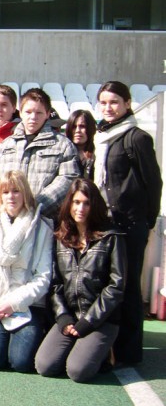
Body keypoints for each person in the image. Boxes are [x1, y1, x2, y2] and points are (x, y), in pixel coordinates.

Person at [94, 80, 162, 365]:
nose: (109, 108)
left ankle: (130, 352)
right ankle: (110, 347)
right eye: (104, 102)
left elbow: (153, 182)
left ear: (127, 104)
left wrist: (145, 221)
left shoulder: (136, 137)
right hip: (107, 223)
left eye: (114, 102)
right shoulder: (103, 137)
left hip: (129, 225)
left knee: (129, 288)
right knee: (109, 286)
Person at [35, 179, 126, 382]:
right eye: (76, 202)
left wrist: (89, 321)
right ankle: (81, 348)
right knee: (45, 366)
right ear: (69, 204)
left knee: (78, 372)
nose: (80, 208)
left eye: (86, 203)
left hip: (101, 319)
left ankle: (105, 352)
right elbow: (56, 284)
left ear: (94, 205)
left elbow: (116, 287)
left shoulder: (111, 237)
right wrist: (63, 317)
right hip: (72, 317)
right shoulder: (61, 238)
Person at [0, 170, 53, 373]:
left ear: (25, 193)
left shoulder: (42, 227)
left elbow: (42, 277)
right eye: (5, 192)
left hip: (26, 305)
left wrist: (14, 302)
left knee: (21, 363)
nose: (11, 197)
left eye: (16, 191)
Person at [0, 88, 79, 218]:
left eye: (39, 113)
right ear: (20, 113)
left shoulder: (63, 145)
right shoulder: (5, 145)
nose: (33, 117)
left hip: (45, 220)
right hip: (8, 219)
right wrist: (7, 206)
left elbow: (67, 180)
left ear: (47, 114)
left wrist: (36, 206)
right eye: (28, 112)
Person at [66, 109, 96, 179]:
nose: (77, 131)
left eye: (82, 126)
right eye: (74, 127)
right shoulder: (62, 153)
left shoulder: (99, 153)